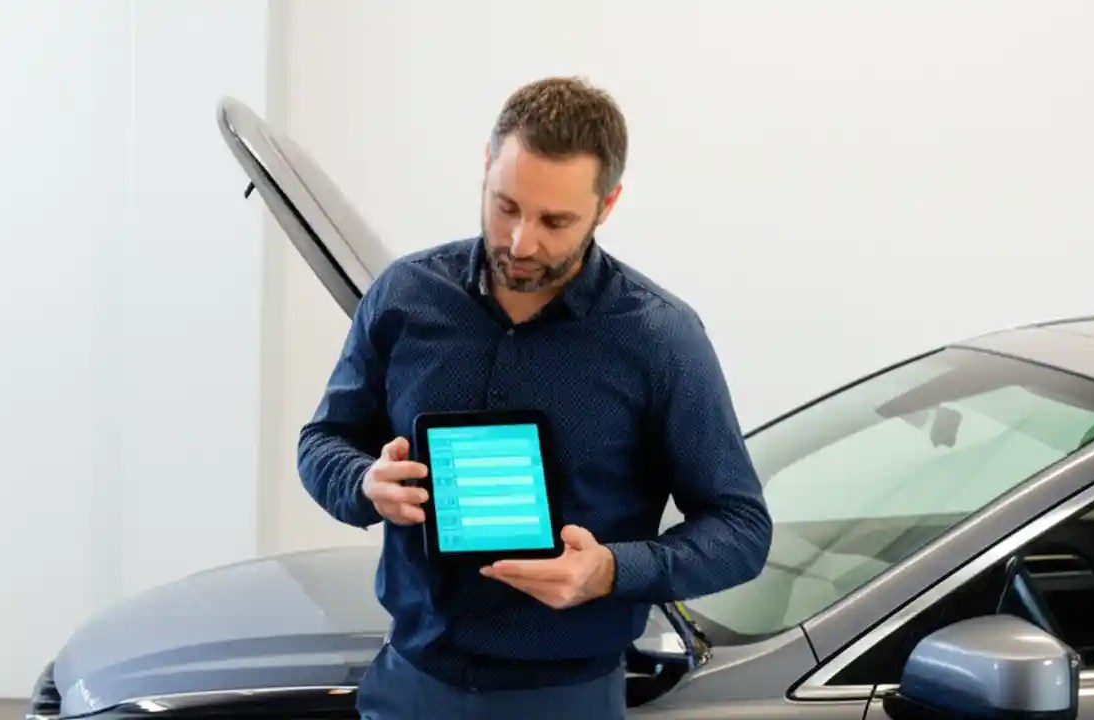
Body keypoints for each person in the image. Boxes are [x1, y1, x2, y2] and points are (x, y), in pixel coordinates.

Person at [297, 75, 772, 719]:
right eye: (506, 206)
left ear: (607, 205)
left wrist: (610, 571)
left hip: (565, 698)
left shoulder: (661, 339)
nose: (521, 242)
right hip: (409, 685)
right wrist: (363, 482)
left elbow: (741, 531)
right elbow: (322, 441)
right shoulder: (404, 295)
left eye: (555, 221)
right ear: (486, 166)